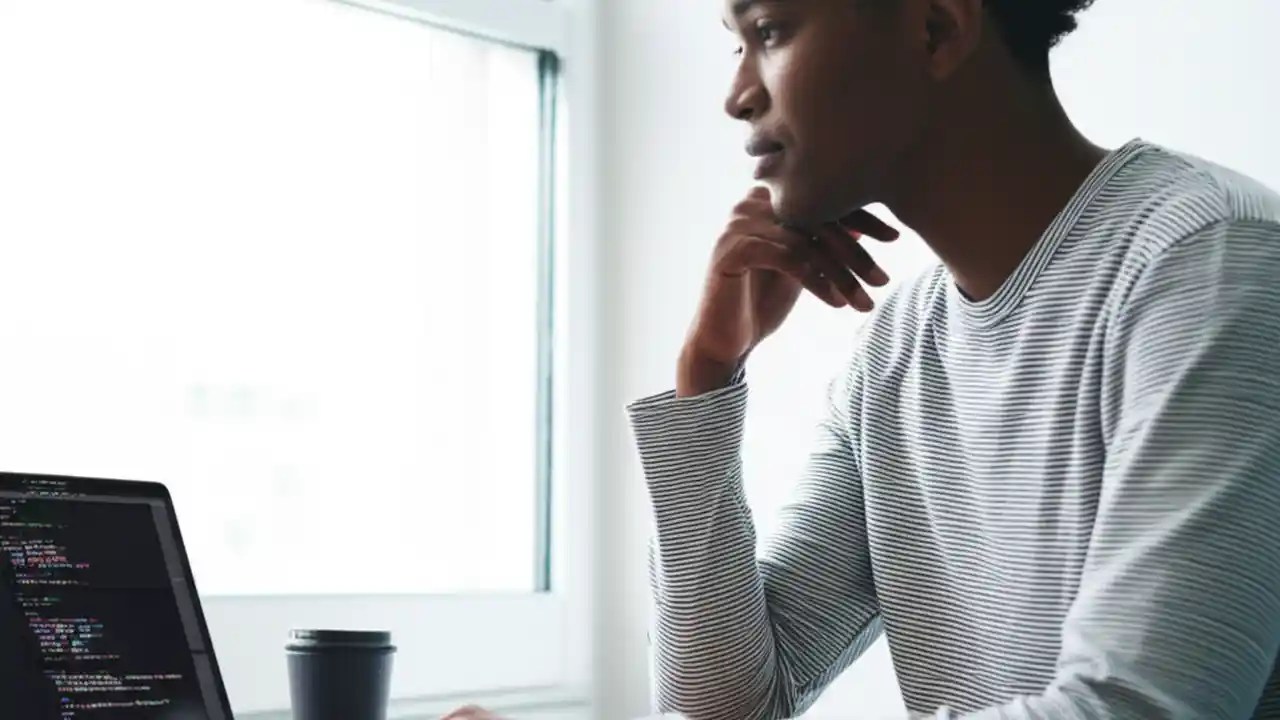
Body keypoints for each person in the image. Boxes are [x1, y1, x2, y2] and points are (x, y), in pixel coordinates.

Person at [446, 0, 1280, 718]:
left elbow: (1135, 711)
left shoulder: (1211, 265)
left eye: (770, 29)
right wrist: (708, 376)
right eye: (736, 42)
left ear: (934, 26)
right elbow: (731, 704)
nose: (737, 96)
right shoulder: (898, 349)